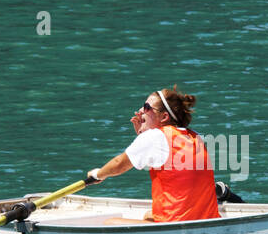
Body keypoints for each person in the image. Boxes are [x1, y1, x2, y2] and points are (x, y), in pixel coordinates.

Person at [87, 88, 220, 222]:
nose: (140, 111)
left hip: (176, 227)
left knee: (109, 223)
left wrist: (98, 174)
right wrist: (142, 137)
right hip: (206, 220)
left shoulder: (156, 137)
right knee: (148, 215)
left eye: (147, 108)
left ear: (164, 117)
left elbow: (119, 164)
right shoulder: (194, 136)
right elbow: (165, 160)